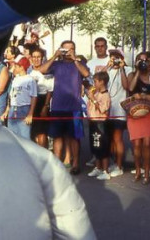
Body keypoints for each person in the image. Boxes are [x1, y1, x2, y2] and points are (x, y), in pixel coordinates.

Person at [37, 40, 89, 175]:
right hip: (57, 106)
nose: (68, 52)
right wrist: (55, 55)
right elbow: (41, 70)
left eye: (70, 49)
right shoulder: (56, 64)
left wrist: (75, 59)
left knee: (74, 137)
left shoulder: (79, 64)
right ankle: (57, 163)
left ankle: (76, 163)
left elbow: (86, 74)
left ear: (75, 50)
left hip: (74, 107)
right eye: (65, 50)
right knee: (57, 137)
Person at [127, 51, 150, 184]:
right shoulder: (132, 75)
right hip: (134, 112)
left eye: (145, 60)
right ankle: (138, 170)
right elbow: (130, 88)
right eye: (140, 60)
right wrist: (138, 72)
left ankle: (147, 172)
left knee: (147, 143)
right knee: (136, 144)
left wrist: (145, 96)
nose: (143, 62)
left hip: (148, 112)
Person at [104, 49, 128, 177]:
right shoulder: (108, 71)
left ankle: (119, 165)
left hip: (119, 110)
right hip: (108, 109)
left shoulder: (126, 70)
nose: (115, 59)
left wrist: (122, 68)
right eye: (112, 56)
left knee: (118, 138)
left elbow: (126, 86)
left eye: (117, 57)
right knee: (111, 138)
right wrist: (107, 67)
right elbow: (98, 82)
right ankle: (114, 161)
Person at [86, 71, 112, 180]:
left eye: (96, 81)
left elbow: (102, 109)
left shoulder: (106, 95)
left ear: (102, 82)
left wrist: (93, 98)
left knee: (103, 147)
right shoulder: (96, 93)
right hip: (93, 121)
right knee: (95, 146)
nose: (94, 84)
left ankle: (105, 170)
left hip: (101, 123)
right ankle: (98, 167)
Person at [4, 55, 37, 140]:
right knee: (12, 136)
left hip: (24, 108)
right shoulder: (15, 79)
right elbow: (11, 96)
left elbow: (34, 97)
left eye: (16, 66)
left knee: (24, 137)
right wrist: (7, 110)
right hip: (13, 109)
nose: (14, 68)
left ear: (22, 67)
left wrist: (30, 114)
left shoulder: (30, 80)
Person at [27, 48, 50, 148]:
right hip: (29, 102)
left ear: (42, 58)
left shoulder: (47, 71)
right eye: (34, 57)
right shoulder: (28, 71)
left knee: (41, 132)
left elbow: (50, 90)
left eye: (38, 57)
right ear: (31, 58)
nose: (36, 59)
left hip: (42, 100)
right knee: (31, 131)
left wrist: (46, 106)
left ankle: (43, 154)